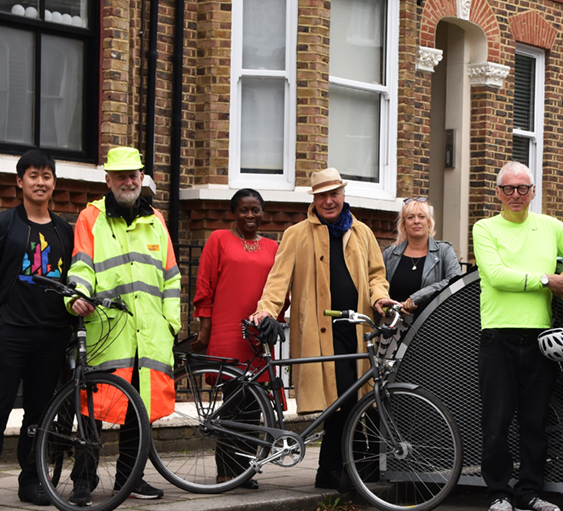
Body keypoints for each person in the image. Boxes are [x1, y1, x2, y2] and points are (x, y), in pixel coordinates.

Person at [251, 168, 397, 490]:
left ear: (343, 195)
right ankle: (336, 469)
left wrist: (380, 298)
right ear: (314, 200)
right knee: (340, 398)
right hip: (320, 332)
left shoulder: (362, 232)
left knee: (355, 397)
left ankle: (341, 469)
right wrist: (266, 310)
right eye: (322, 196)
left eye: (334, 194)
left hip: (355, 329)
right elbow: (278, 281)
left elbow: (376, 275)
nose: (328, 201)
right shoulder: (296, 234)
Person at [472, 161, 563, 511]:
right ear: (498, 193)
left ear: (533, 191)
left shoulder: (549, 226)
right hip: (498, 334)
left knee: (535, 421)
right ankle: (498, 494)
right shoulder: (485, 227)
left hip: (540, 336)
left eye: (523, 188)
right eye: (508, 188)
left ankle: (529, 493)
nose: (516, 195)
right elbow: (496, 275)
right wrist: (547, 280)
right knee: (497, 420)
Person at [0, 150, 75, 511]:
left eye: (46, 176)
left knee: (39, 415)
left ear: (54, 183)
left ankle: (31, 481)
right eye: (33, 175)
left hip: (51, 335)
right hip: (10, 333)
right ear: (19, 181)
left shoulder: (65, 232)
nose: (40, 182)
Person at [67, 146, 178, 504]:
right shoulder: (92, 217)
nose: (128, 182)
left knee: (138, 411)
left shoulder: (156, 221)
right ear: (108, 180)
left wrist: (171, 323)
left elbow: (171, 277)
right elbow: (81, 264)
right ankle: (83, 481)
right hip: (108, 328)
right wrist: (77, 296)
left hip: (149, 333)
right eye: (120, 176)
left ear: (142, 178)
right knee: (91, 409)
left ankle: (130, 481)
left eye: (133, 175)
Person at [192, 188, 281, 488]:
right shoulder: (219, 239)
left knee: (254, 404)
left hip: (258, 334)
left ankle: (245, 471)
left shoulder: (273, 247)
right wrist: (205, 329)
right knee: (232, 402)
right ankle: (226, 470)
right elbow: (205, 284)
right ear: (234, 213)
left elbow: (280, 290)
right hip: (228, 330)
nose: (250, 215)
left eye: (255, 209)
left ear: (263, 212)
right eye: (244, 210)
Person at [381, 197, 461, 314]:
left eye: (422, 217)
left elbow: (455, 281)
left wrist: (417, 298)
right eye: (410, 217)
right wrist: (391, 307)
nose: (416, 221)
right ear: (404, 224)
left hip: (433, 322)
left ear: (429, 222)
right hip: (395, 320)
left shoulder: (444, 251)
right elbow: (377, 285)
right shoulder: (390, 254)